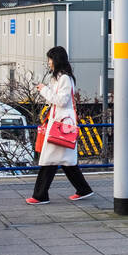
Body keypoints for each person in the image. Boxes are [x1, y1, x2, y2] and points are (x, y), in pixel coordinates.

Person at [27, 46, 93, 205]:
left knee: (49, 160)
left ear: (56, 60)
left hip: (60, 123)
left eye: (50, 59)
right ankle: (83, 189)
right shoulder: (61, 78)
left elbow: (61, 101)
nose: (48, 63)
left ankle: (40, 195)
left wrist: (44, 90)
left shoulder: (63, 78)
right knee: (66, 160)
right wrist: (47, 89)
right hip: (63, 123)